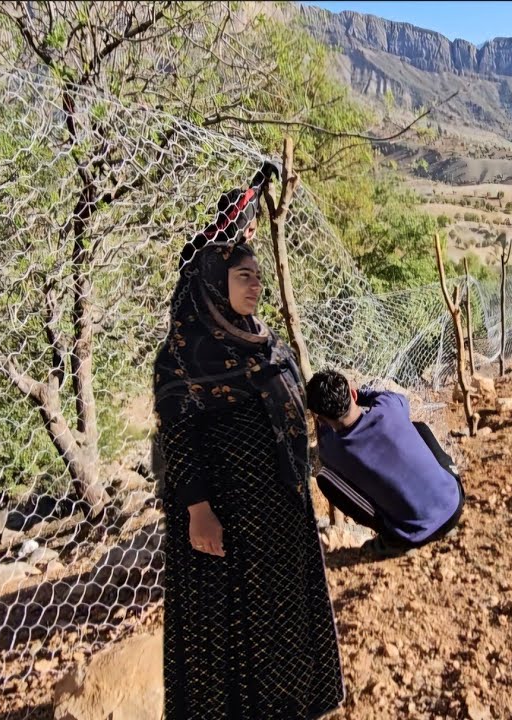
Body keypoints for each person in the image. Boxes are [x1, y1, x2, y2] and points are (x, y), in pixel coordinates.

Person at [152, 173, 344, 720]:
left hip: (280, 516)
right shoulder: (183, 356)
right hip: (226, 525)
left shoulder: (261, 340)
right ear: (215, 282)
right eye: (244, 275)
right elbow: (180, 436)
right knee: (233, 637)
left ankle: (295, 704)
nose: (256, 284)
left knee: (284, 623)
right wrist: (198, 510)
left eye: (259, 275)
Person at [305, 369, 464, 556]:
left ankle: (391, 536)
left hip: (413, 535)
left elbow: (325, 440)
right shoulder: (389, 406)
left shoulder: (331, 450)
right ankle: (443, 485)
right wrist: (359, 395)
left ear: (321, 419)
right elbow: (389, 397)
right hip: (454, 505)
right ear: (353, 393)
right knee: (419, 428)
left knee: (325, 478)